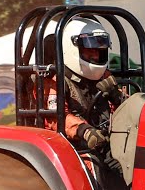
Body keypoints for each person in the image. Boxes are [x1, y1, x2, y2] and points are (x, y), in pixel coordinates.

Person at [32, 16, 126, 157]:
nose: (95, 54)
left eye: (98, 49)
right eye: (89, 49)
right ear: (73, 49)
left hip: (105, 142)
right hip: (71, 147)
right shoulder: (54, 80)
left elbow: (124, 112)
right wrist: (84, 131)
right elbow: (56, 118)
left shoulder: (104, 76)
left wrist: (117, 97)